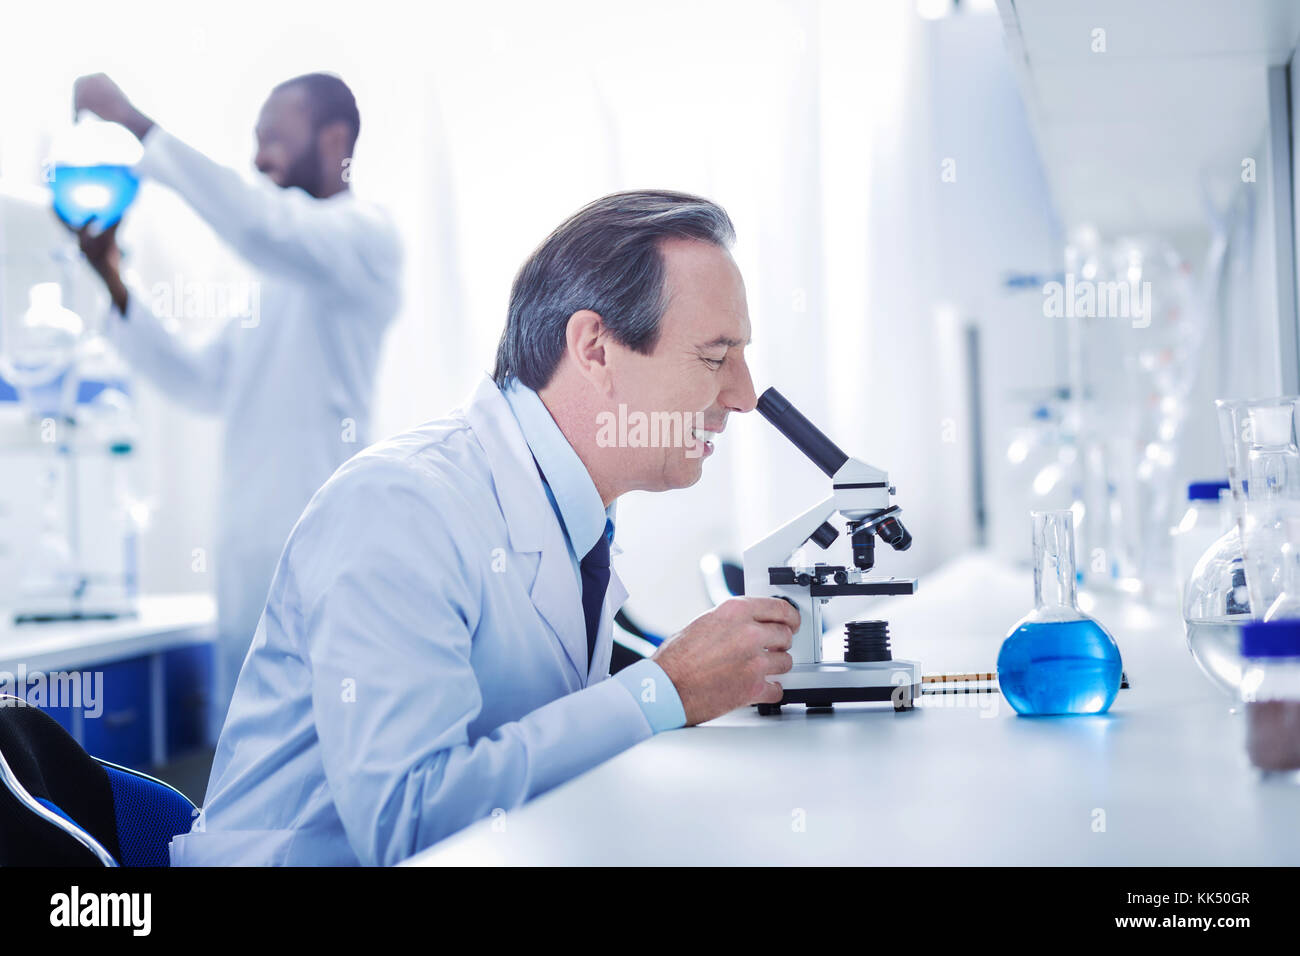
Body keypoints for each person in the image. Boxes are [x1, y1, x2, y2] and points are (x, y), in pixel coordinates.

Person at [168, 190, 797, 866]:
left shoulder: (573, 510)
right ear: (595, 349)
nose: (742, 395)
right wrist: (662, 690)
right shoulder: (399, 507)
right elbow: (408, 824)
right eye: (714, 356)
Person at [68, 72, 403, 739]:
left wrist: (136, 122)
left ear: (335, 139)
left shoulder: (364, 239)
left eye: (275, 140)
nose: (258, 160)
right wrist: (112, 279)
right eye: (253, 143)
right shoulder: (274, 281)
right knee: (246, 757)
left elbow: (261, 224)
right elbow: (200, 381)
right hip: (248, 551)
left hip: (324, 546)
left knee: (314, 751)